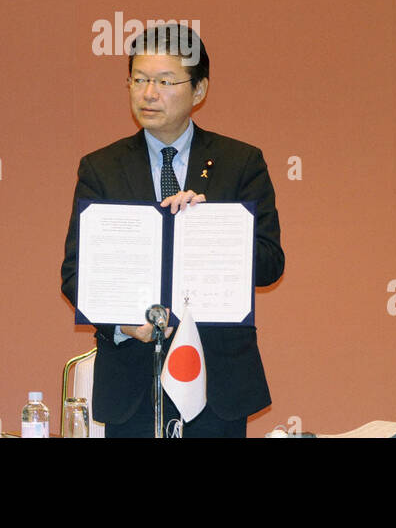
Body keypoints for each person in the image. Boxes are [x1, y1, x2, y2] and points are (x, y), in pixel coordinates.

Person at [60, 24, 285, 437]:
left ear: (198, 91)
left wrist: (212, 227)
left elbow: (270, 263)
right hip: (131, 385)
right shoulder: (101, 168)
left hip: (216, 384)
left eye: (164, 81)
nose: (148, 93)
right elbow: (76, 277)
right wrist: (123, 321)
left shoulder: (241, 162)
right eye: (140, 80)